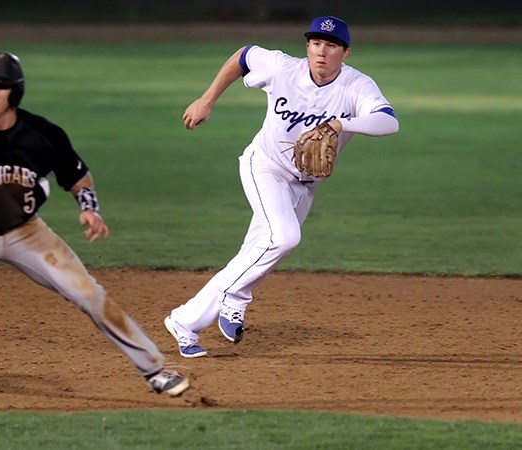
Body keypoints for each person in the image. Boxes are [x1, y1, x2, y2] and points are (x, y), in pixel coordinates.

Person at [0, 50, 189, 411]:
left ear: (16, 92)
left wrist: (89, 208)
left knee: (88, 292)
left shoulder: (42, 134)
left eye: (0, 86)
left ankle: (155, 370)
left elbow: (76, 175)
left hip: (27, 231)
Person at [164, 16, 399, 357]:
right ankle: (233, 298)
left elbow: (388, 122)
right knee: (284, 237)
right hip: (266, 168)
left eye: (331, 45)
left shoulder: (356, 85)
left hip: (304, 185)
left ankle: (184, 322)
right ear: (307, 46)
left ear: (345, 53)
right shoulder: (282, 67)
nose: (322, 51)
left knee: (258, 252)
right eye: (316, 43)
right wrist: (208, 99)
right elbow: (243, 56)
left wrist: (340, 122)